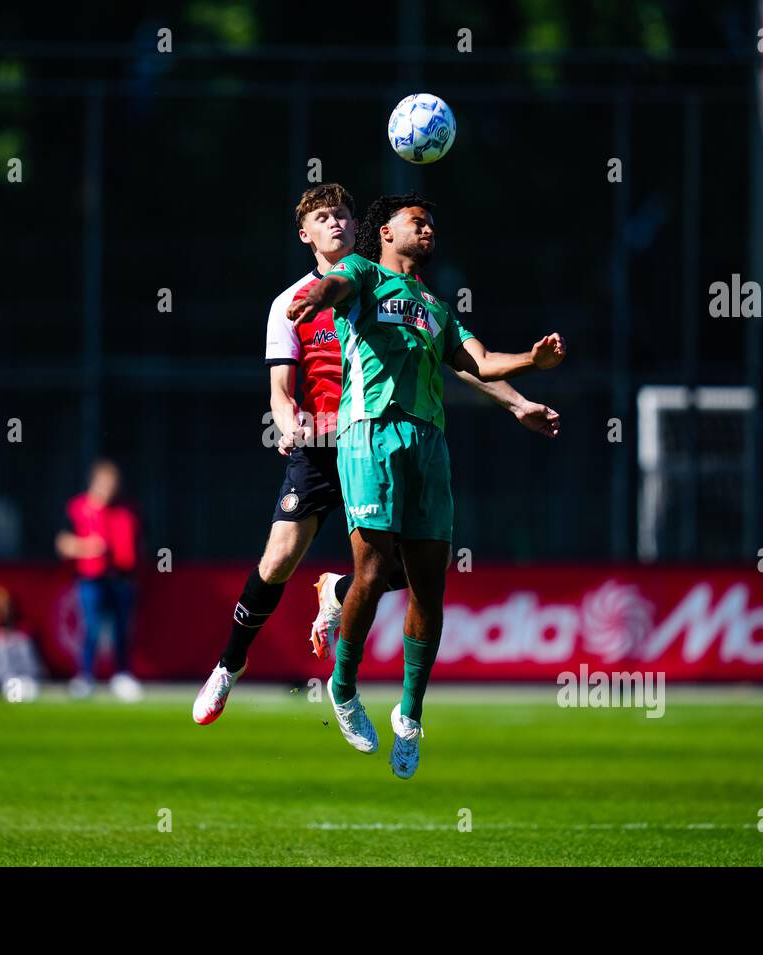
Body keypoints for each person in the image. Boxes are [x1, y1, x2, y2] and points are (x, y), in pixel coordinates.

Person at [191, 184, 560, 726]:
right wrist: (288, 421)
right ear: (305, 234)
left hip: (380, 439)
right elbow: (280, 389)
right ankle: (229, 665)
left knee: (410, 567)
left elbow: (456, 359)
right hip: (322, 443)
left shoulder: (390, 285)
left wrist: (517, 402)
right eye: (322, 217)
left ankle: (339, 594)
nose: (336, 222)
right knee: (277, 561)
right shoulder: (292, 301)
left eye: (342, 213)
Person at [286, 192, 566, 778]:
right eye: (419, 221)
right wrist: (314, 293)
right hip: (371, 434)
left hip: (429, 444)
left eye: (433, 223)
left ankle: (410, 715)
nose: (429, 229)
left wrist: (528, 373)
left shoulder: (437, 308)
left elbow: (480, 362)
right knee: (371, 568)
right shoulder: (362, 274)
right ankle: (343, 686)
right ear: (386, 232)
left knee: (428, 584)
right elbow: (332, 288)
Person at [55, 458, 143, 702]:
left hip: (121, 579)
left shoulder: (128, 510)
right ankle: (85, 677)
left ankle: (122, 676)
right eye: (105, 483)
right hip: (91, 578)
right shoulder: (77, 508)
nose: (109, 488)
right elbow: (62, 543)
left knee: (122, 629)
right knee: (91, 628)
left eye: (113, 483)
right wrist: (87, 547)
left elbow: (141, 541)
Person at [0, 585, 44, 699]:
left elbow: (34, 663)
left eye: (6, 606)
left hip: (22, 680)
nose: (4, 611)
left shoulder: (24, 631)